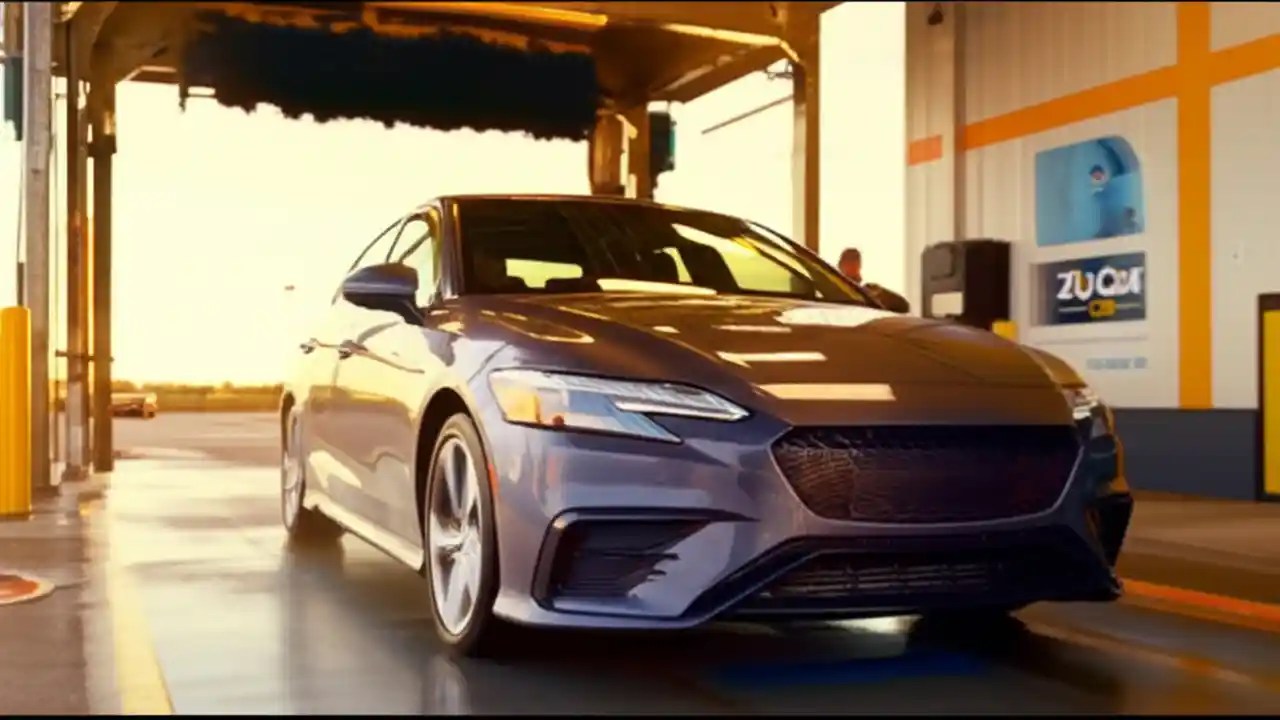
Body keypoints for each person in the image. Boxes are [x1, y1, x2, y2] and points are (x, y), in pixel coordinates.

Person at [837, 247, 910, 314]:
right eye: (848, 261)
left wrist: (878, 294)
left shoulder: (871, 290)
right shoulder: (837, 292)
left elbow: (903, 306)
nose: (852, 266)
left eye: (854, 261)